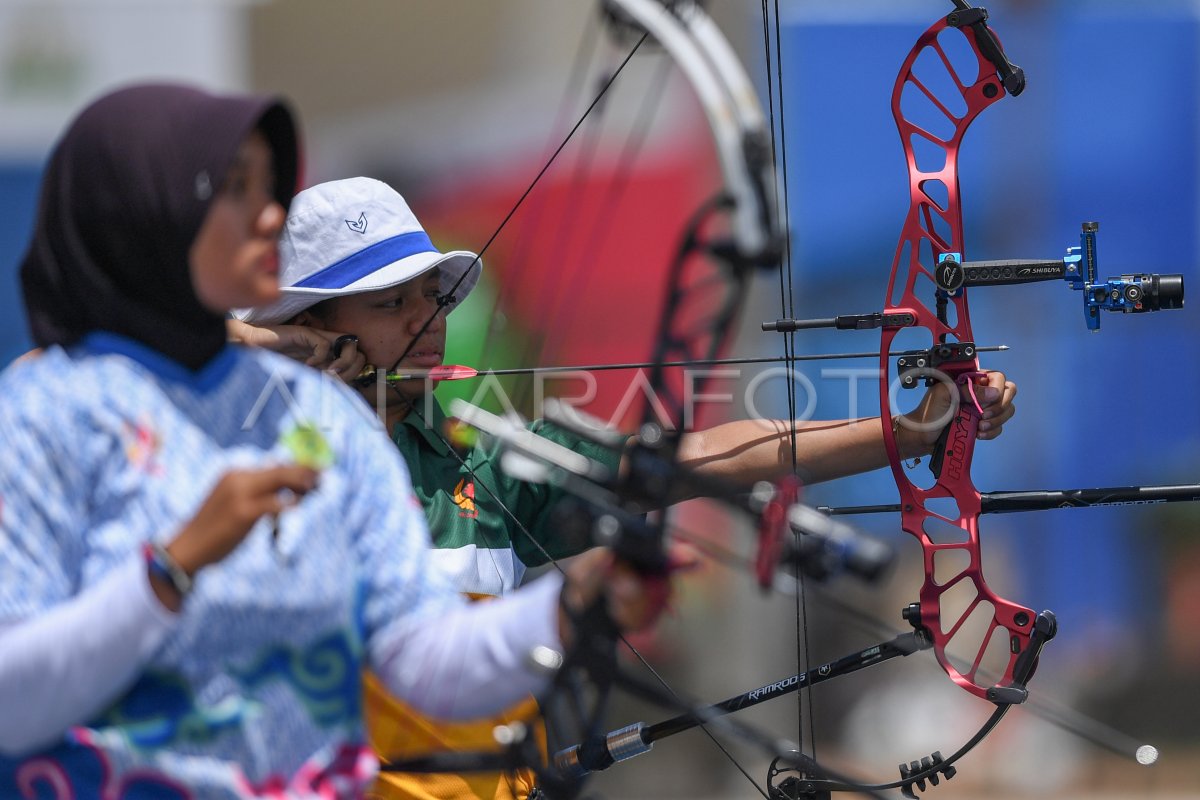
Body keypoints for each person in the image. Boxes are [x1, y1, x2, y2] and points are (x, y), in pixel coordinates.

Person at [229, 176, 1019, 800]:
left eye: (430, 294)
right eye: (390, 302)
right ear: (315, 326)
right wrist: (259, 351)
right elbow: (119, 340)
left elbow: (703, 454)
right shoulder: (247, 451)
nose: (426, 319)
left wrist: (910, 432)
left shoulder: (479, 451)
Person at [0, 84, 660, 799]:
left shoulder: (331, 423)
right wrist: (171, 570)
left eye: (270, 188)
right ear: (141, 214)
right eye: (230, 188)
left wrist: (571, 608)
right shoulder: (47, 411)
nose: (268, 214)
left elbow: (422, 656)